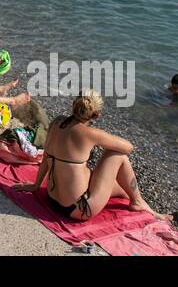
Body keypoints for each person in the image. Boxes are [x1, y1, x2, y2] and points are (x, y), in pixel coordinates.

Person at [18, 90, 161, 222]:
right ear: (97, 115)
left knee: (122, 190)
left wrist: (36, 185)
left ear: (73, 105)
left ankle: (131, 196)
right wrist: (102, 137)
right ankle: (136, 201)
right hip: (79, 208)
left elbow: (46, 159)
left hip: (52, 199)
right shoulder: (90, 134)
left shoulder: (57, 122)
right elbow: (128, 148)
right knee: (118, 155)